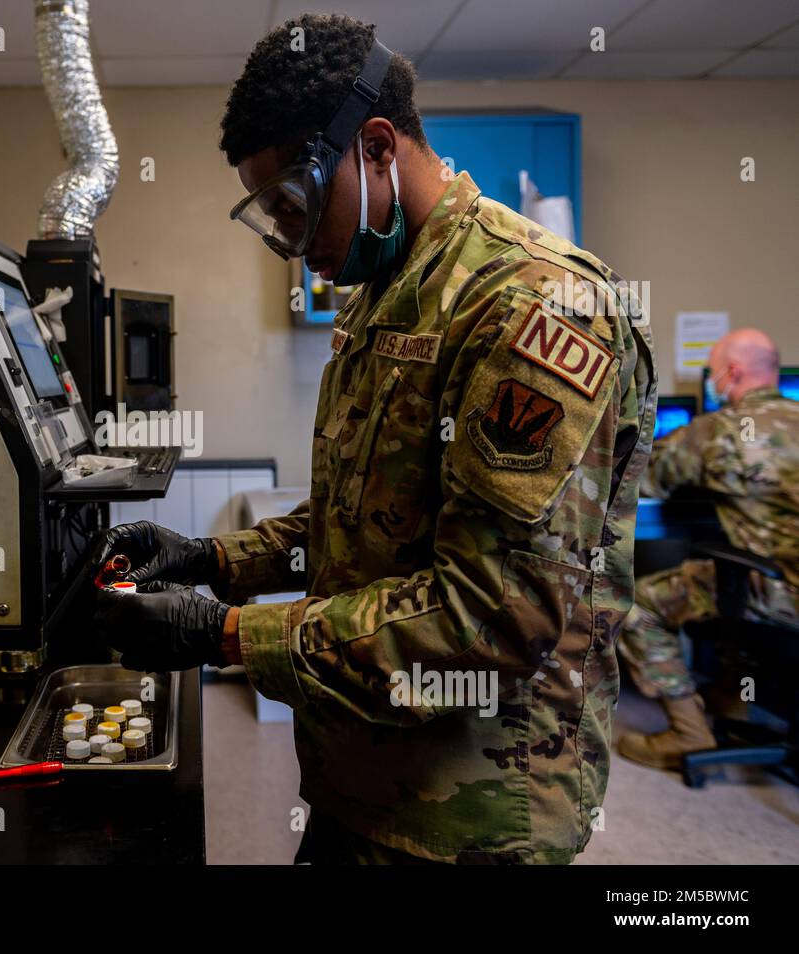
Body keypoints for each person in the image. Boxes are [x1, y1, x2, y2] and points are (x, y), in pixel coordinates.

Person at [90, 14, 656, 864]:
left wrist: (227, 636)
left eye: (294, 206)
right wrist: (209, 561)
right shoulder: (388, 294)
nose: (290, 242)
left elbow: (490, 617)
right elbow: (371, 525)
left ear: (378, 148)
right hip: (363, 776)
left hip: (470, 818)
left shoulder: (529, 303)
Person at [618, 329, 799, 769]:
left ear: (732, 372)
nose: (715, 382)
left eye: (715, 372)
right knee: (722, 582)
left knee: (638, 606)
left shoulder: (718, 431)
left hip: (782, 596)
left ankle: (689, 734)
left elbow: (646, 479)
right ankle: (734, 701)